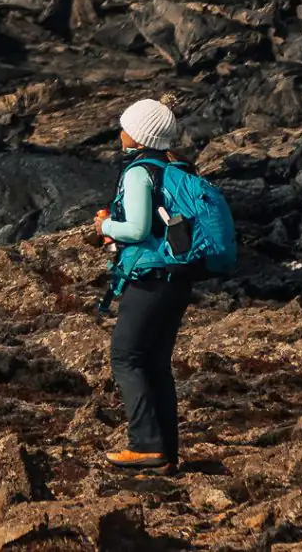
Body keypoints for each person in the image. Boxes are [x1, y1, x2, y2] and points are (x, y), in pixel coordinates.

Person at [92, 97, 193, 473]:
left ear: (138, 135)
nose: (120, 132)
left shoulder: (139, 172)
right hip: (178, 278)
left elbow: (135, 229)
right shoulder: (175, 167)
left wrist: (104, 226)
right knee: (155, 362)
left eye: (125, 126)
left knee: (126, 356)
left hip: (149, 279)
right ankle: (166, 451)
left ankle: (146, 446)